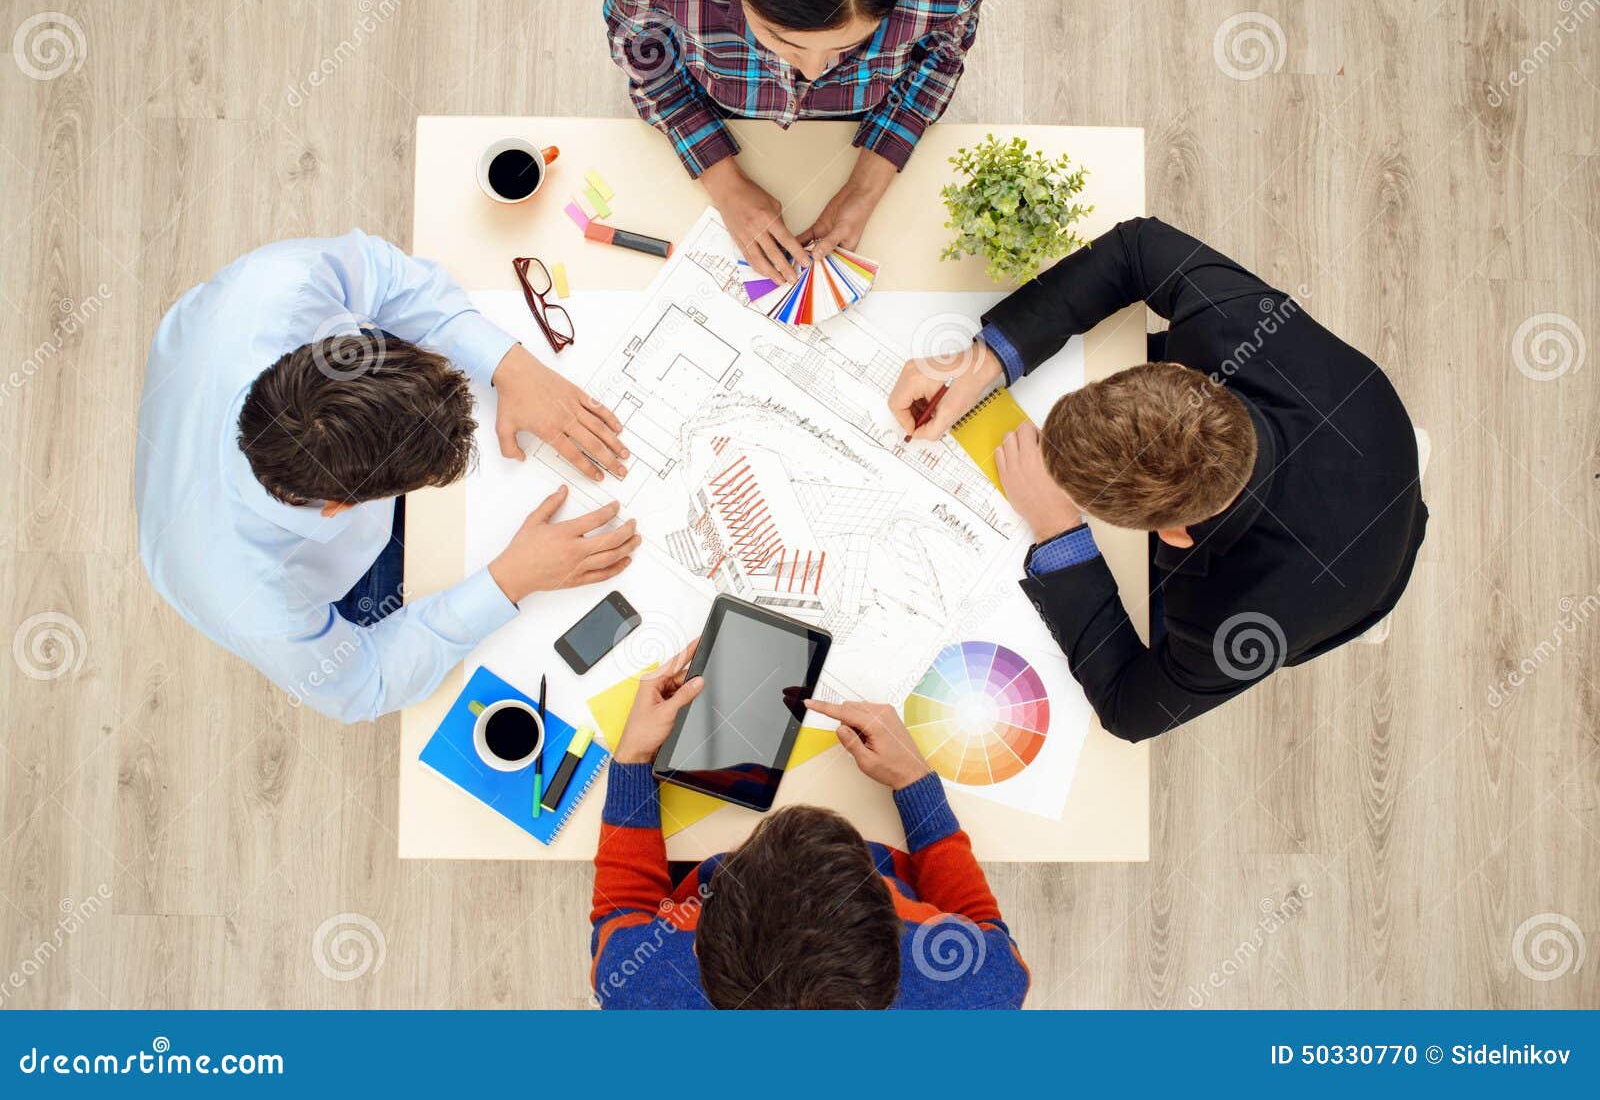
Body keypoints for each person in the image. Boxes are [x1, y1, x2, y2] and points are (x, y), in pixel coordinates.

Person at [888, 217, 1428, 742]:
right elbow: (1136, 247)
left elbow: (1129, 709)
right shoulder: (1236, 326)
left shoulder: (1228, 627)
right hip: (1362, 427)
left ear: (1171, 535)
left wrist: (1057, 528)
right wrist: (985, 359)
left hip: (1356, 574)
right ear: (1179, 374)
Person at [135, 231, 641, 722]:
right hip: (259, 558)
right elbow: (365, 684)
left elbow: (389, 277)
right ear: (341, 507)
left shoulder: (287, 286)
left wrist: (508, 365)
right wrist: (512, 578)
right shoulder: (264, 604)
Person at [589, 643, 1029, 1008]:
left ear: (698, 947)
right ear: (896, 929)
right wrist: (916, 783)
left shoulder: (636, 984)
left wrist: (632, 758)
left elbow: (622, 913)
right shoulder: (981, 987)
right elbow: (978, 922)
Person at [604, 0, 989, 282]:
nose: (813, 72)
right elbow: (644, 55)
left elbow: (938, 63)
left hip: (864, 116)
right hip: (716, 108)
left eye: (851, 44)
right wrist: (724, 181)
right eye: (783, 42)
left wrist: (865, 187)